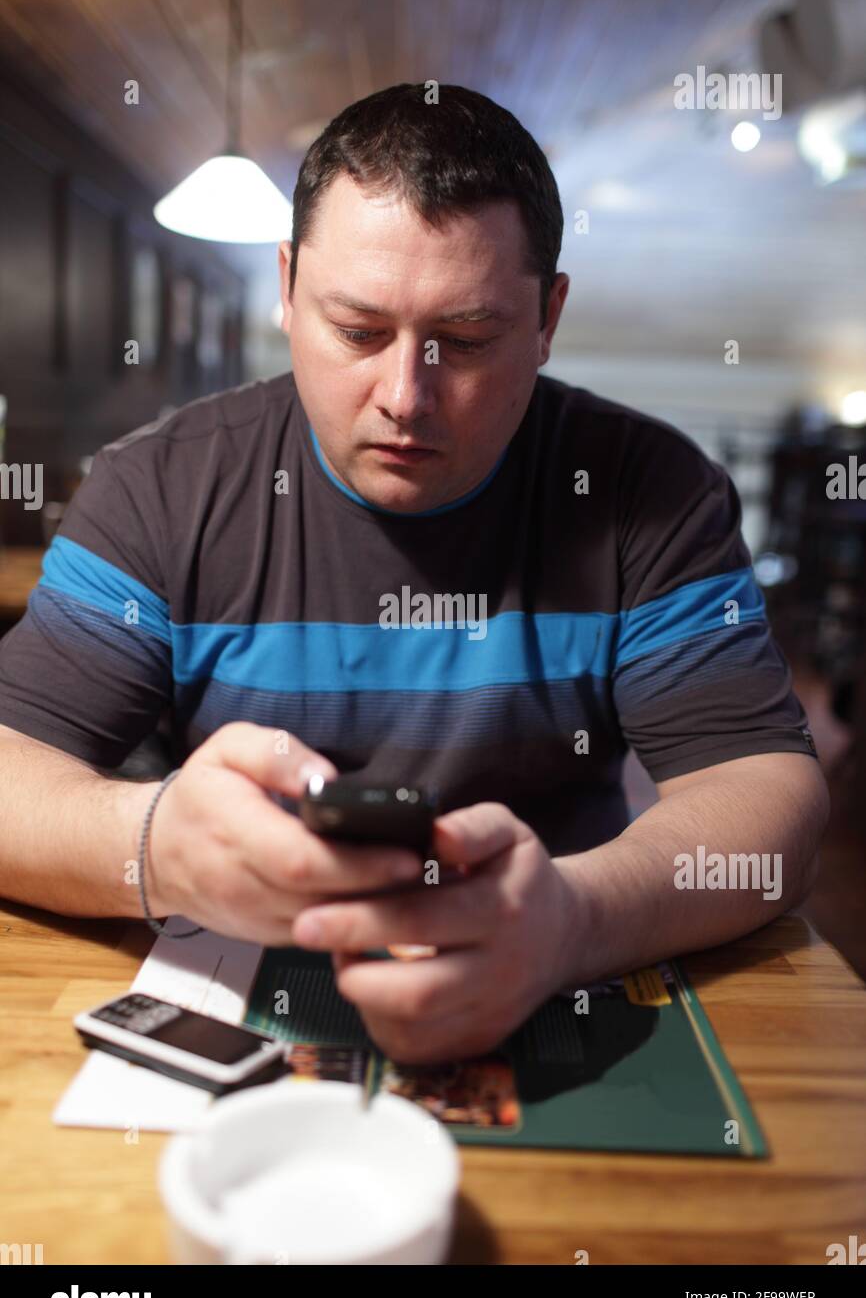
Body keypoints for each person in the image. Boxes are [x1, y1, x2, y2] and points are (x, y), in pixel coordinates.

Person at [0, 83, 828, 1064]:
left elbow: (761, 787)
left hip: (558, 989)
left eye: (466, 342)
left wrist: (571, 916)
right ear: (285, 285)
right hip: (240, 991)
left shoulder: (646, 490)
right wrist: (150, 845)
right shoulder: (161, 485)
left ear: (547, 315)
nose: (404, 396)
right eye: (356, 331)